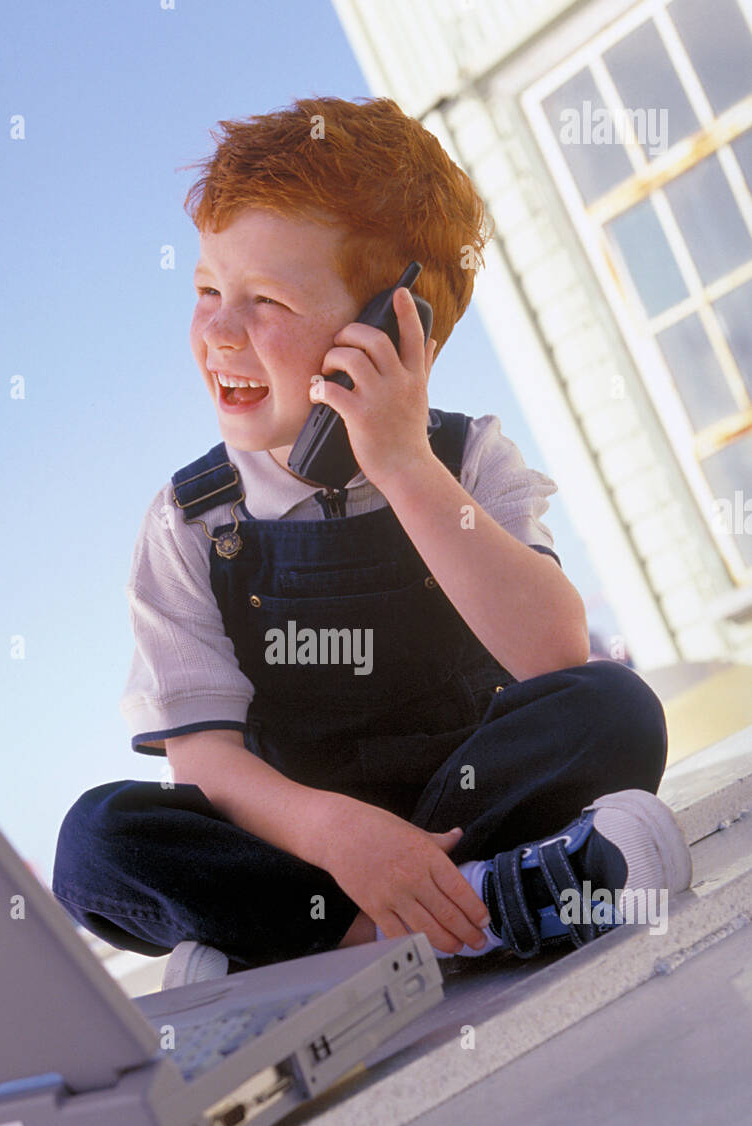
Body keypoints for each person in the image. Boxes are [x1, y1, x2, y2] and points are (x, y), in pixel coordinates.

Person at [52, 96, 691, 988]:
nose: (218, 331)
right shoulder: (192, 520)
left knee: (614, 708)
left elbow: (551, 652)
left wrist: (400, 465)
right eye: (206, 289)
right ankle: (484, 909)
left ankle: (321, 946)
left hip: (467, 804)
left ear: (395, 327)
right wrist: (341, 837)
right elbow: (206, 763)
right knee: (97, 845)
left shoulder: (464, 461)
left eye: (265, 300)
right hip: (306, 844)